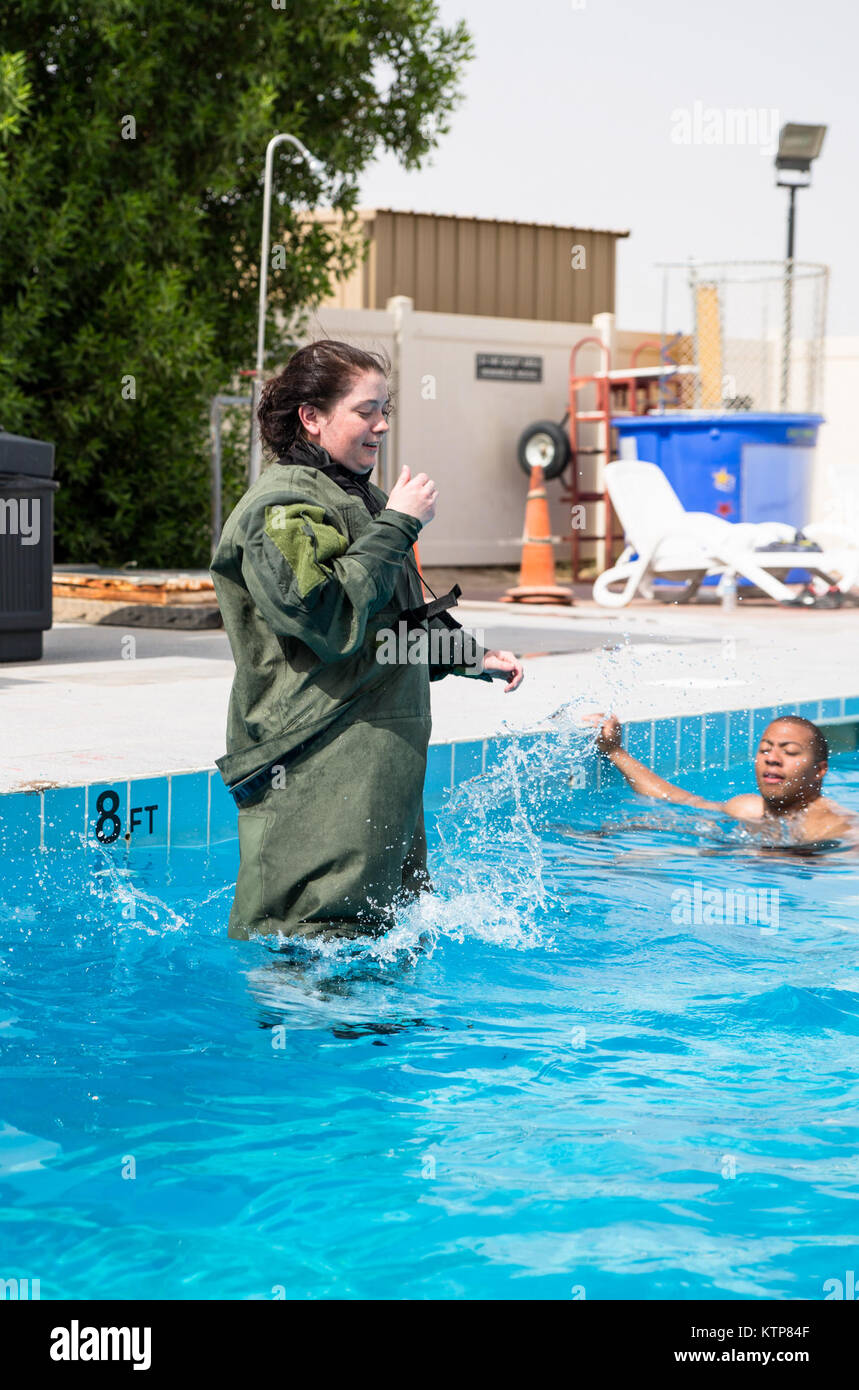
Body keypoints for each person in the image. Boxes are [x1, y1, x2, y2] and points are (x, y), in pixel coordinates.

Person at [211, 339, 524, 939]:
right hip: (315, 763)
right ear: (312, 416)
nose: (382, 424)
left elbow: (389, 622)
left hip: (377, 766)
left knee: (386, 945)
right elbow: (329, 619)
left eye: (386, 409)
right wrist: (400, 522)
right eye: (365, 410)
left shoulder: (362, 497)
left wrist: (468, 656)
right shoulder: (280, 507)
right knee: (306, 941)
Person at [582, 712, 856, 845]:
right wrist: (615, 751)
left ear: (820, 770)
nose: (772, 758)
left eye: (790, 752)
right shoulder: (748, 808)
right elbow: (680, 800)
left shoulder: (836, 828)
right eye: (764, 750)